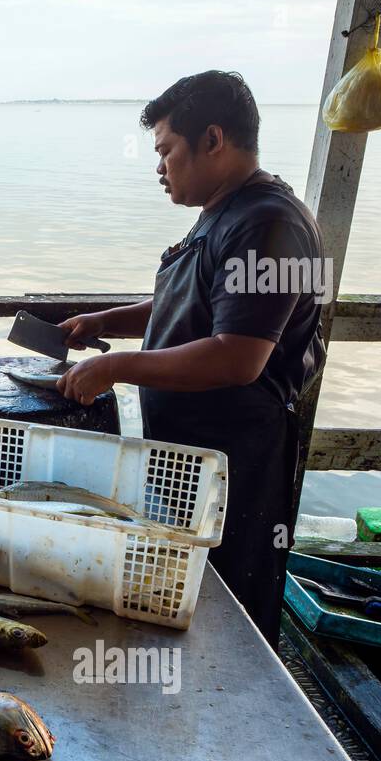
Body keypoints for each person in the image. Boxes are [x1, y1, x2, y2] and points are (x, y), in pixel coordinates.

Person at [57, 70, 325, 649]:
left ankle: (239, 724)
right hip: (190, 446)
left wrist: (117, 366)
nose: (159, 167)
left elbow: (238, 357)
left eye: (166, 150)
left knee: (224, 611)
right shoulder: (231, 210)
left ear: (212, 140)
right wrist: (108, 322)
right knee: (176, 589)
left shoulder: (270, 224)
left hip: (235, 460)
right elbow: (200, 300)